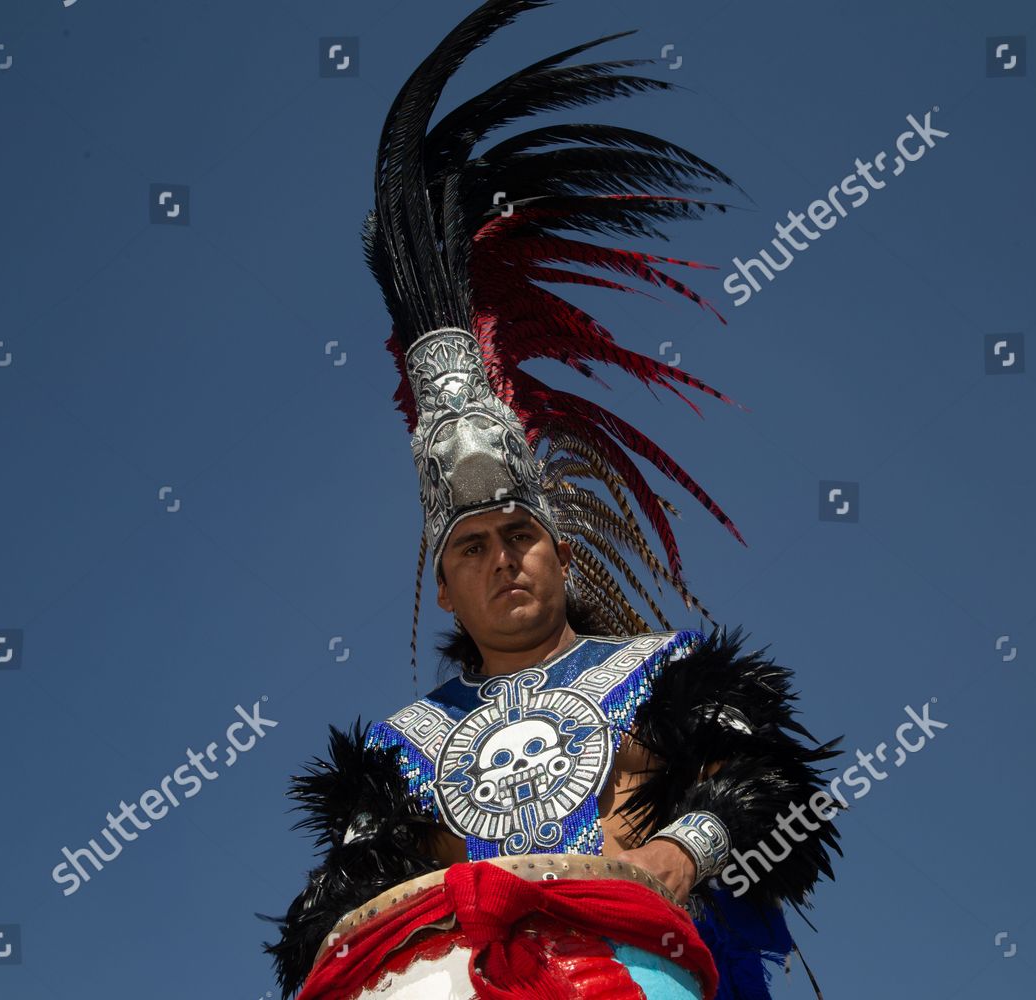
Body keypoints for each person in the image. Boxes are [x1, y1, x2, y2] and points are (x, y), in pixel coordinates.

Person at [260, 2, 843, 996]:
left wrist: (675, 858)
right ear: (444, 587)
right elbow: (329, 925)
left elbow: (778, 792)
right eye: (473, 546)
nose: (501, 557)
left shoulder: (664, 678)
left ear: (562, 556)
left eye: (520, 534)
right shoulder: (404, 750)